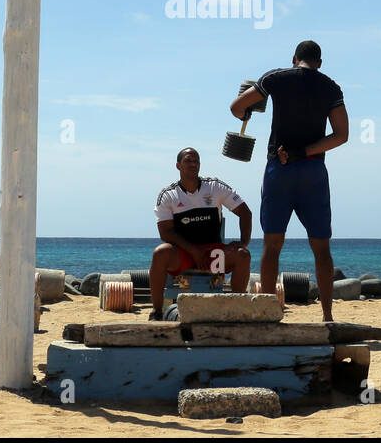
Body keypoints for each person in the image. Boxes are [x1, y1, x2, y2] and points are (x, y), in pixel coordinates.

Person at [230, 39, 348, 322]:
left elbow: (235, 107)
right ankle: (328, 316)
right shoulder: (330, 87)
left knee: (272, 245)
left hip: (279, 170)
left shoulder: (275, 78)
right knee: (321, 247)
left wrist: (246, 111)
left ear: (294, 58)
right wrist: (304, 152)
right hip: (312, 171)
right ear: (319, 62)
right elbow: (341, 135)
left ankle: (269, 313)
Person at [149, 147, 252, 320]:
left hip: (214, 256)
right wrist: (194, 251)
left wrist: (243, 243)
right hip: (184, 255)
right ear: (178, 165)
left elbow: (245, 213)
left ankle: (236, 312)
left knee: (243, 255)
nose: (193, 164)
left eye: (196, 161)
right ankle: (157, 312)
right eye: (188, 160)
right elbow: (165, 233)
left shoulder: (215, 187)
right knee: (160, 253)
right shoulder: (168, 195)